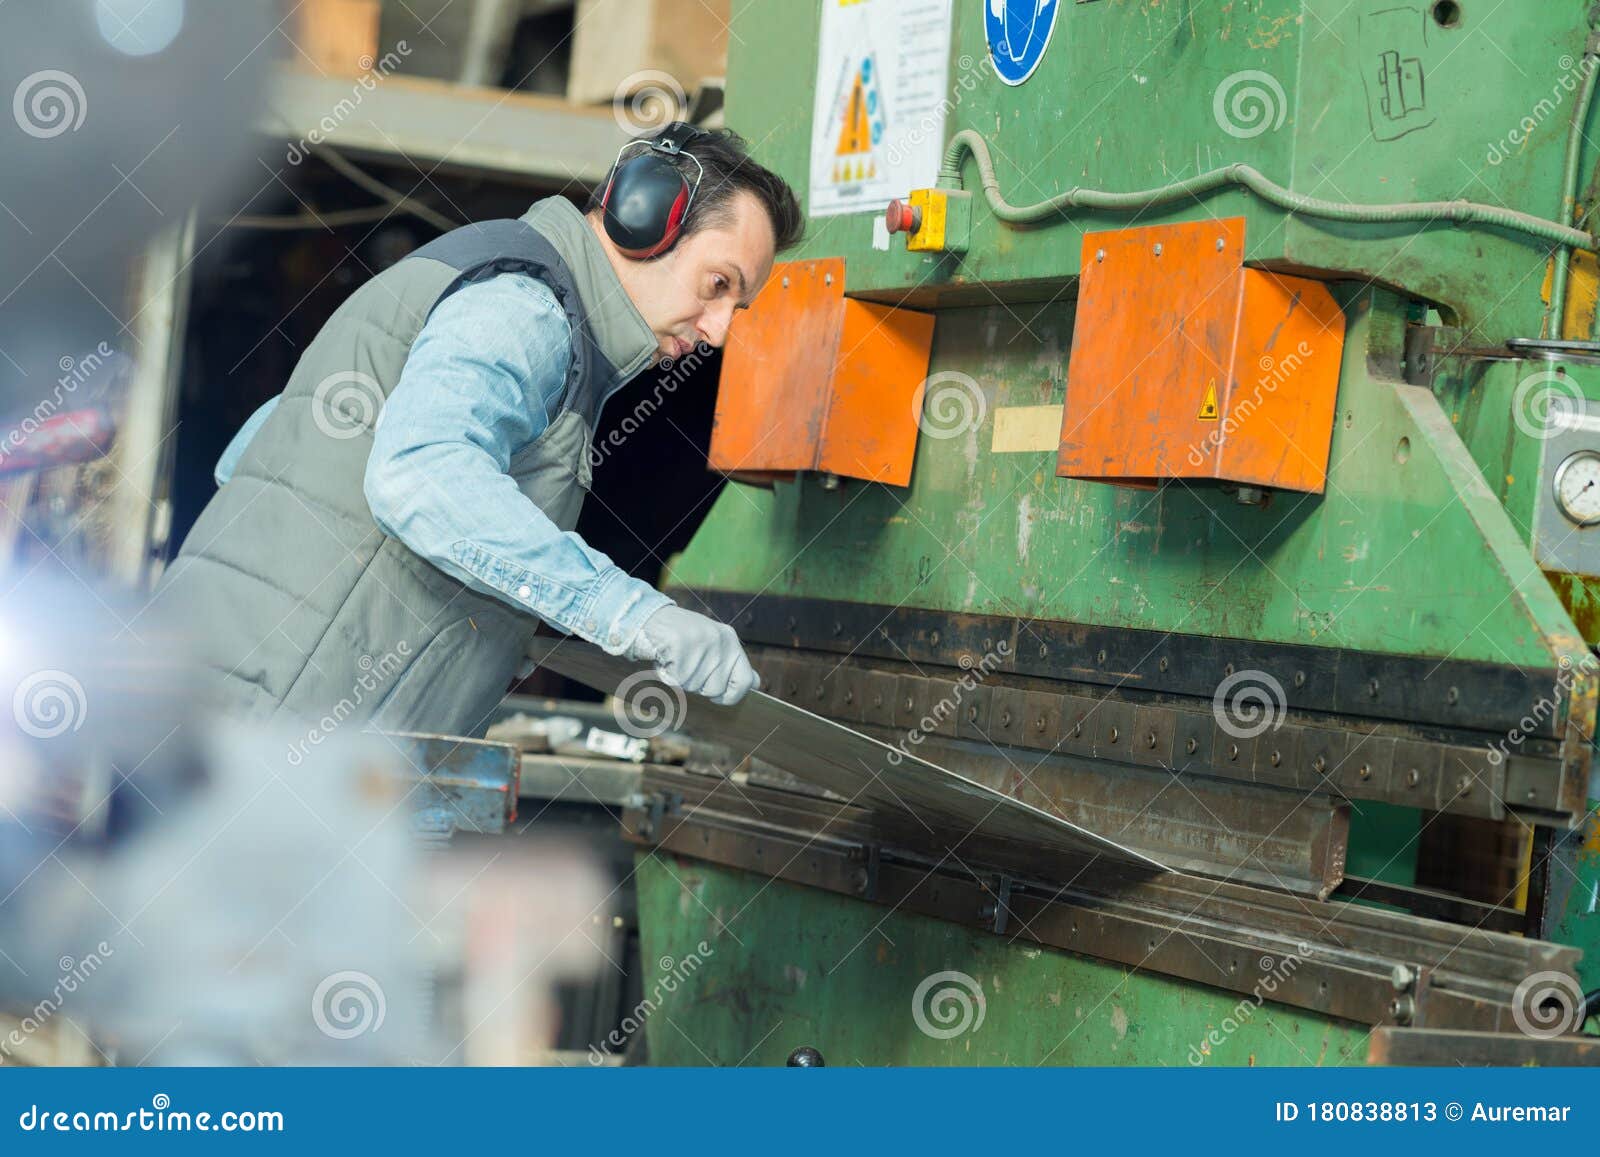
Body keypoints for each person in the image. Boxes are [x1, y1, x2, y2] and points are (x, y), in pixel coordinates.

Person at [150, 123, 804, 737]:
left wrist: (484, 624)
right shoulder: (529, 310)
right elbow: (420, 474)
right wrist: (632, 612)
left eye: (737, 306)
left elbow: (260, 450)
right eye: (718, 284)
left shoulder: (506, 279)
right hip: (270, 733)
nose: (718, 330)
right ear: (646, 216)